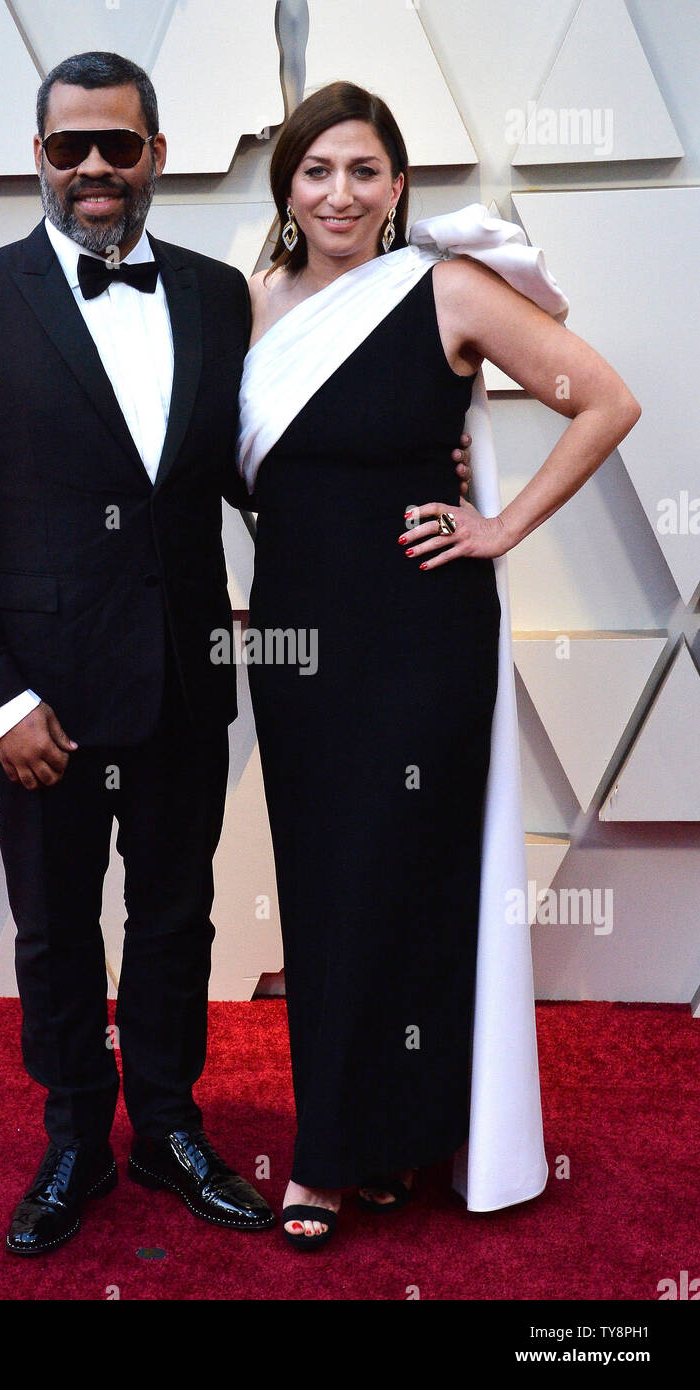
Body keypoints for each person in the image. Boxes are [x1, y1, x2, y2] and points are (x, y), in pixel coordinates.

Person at [0, 49, 478, 1257]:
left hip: (184, 681)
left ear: (157, 156)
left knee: (179, 920)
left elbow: (272, 463)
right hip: (41, 698)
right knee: (57, 929)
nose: (97, 167)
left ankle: (167, 1129)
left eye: (120, 145)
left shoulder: (225, 297)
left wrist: (429, 471)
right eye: (73, 148)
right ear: (41, 160)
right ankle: (75, 1141)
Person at [238, 82, 641, 1249]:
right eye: (317, 171)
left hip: (420, 631)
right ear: (287, 188)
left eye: (365, 170)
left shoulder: (446, 288)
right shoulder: (253, 305)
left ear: (400, 185)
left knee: (403, 878)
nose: (340, 194)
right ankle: (366, 1136)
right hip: (299, 640)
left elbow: (602, 401)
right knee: (324, 886)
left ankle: (338, 1160)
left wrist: (499, 527)